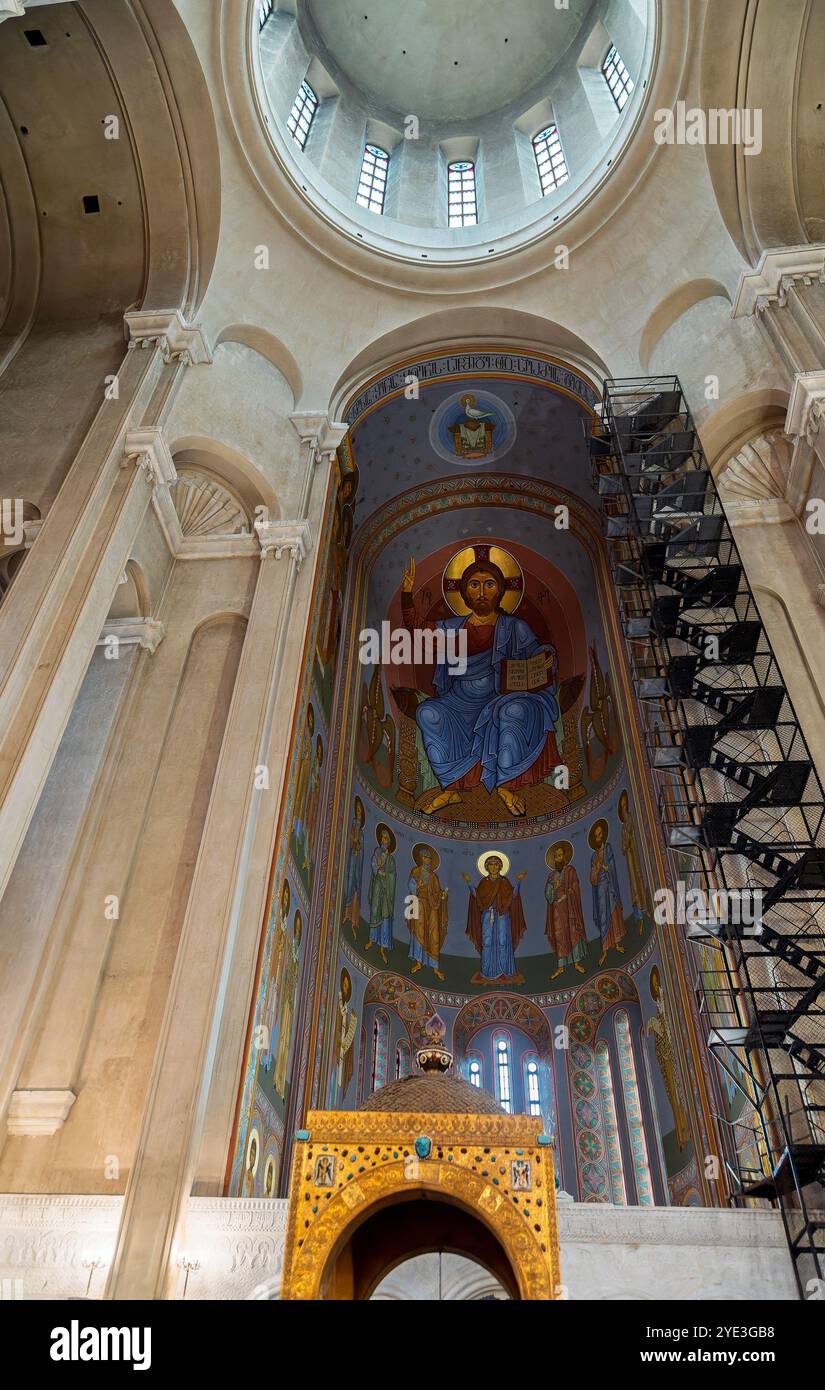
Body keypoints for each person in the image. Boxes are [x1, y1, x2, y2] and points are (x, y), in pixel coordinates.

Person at [401, 553, 560, 817]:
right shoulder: (454, 628)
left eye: (489, 584)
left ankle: (506, 784)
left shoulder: (515, 627)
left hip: (503, 697)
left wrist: (544, 658)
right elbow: (419, 629)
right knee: (427, 712)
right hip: (460, 701)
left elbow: (536, 652)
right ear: (464, 594)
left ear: (500, 591)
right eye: (475, 584)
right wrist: (407, 595)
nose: (482, 591)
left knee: (513, 712)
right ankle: (451, 786)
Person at [463, 854, 527, 984]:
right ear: (486, 867)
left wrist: (519, 882)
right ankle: (486, 972)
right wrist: (469, 883)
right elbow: (477, 897)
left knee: (503, 942)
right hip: (488, 915)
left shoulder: (504, 881)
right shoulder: (484, 883)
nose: (493, 867)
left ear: (500, 866)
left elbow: (512, 896)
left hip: (502, 915)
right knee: (487, 942)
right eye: (491, 864)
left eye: (496, 864)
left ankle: (503, 971)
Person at [544, 840, 587, 978]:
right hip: (557, 909)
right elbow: (548, 895)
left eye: (560, 855)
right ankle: (561, 967)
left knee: (572, 932)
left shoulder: (570, 871)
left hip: (569, 908)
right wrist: (554, 888)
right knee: (559, 936)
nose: (558, 858)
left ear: (565, 857)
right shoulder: (551, 876)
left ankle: (576, 963)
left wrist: (568, 894)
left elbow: (575, 886)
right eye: (556, 856)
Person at [407, 844, 448, 981]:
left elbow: (437, 892)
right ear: (421, 859)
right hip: (419, 905)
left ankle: (435, 966)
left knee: (434, 935)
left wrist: (442, 896)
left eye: (430, 858)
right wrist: (416, 888)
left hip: (433, 908)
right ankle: (419, 961)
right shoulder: (416, 872)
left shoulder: (433, 877)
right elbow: (411, 886)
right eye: (426, 857)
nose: (428, 860)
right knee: (419, 931)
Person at [588, 819, 626, 965]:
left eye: (600, 834)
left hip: (610, 887)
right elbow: (592, 879)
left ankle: (616, 943)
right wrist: (596, 871)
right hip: (600, 891)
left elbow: (612, 865)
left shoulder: (608, 848)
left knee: (614, 914)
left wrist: (606, 869)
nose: (599, 838)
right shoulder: (593, 856)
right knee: (604, 918)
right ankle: (604, 950)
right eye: (596, 836)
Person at [364, 824, 396, 963]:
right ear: (380, 839)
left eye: (387, 839)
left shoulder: (391, 859)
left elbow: (393, 875)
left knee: (384, 917)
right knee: (374, 912)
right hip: (377, 887)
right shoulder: (377, 851)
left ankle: (382, 946)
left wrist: (386, 875)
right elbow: (373, 864)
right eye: (383, 838)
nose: (384, 841)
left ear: (389, 843)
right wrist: (378, 870)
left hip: (386, 890)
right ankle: (372, 940)